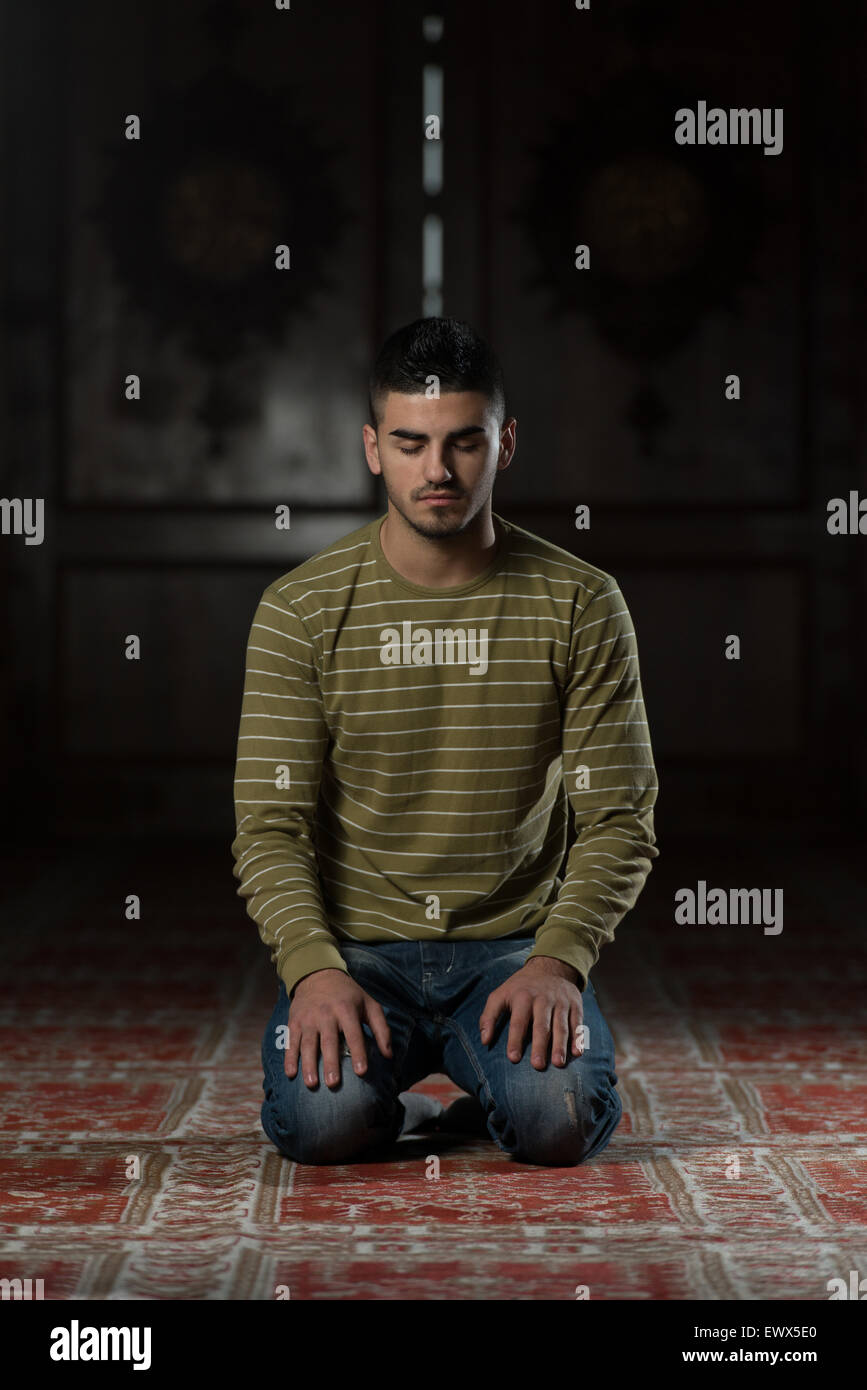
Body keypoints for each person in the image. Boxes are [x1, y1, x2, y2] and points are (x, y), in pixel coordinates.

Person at [231, 317, 659, 1167]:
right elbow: (269, 826)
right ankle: (424, 1093)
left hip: (511, 948)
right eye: (410, 442)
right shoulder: (299, 610)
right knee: (322, 1127)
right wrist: (312, 969)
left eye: (463, 441)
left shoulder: (581, 601)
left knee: (558, 1121)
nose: (437, 470)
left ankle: (496, 1083)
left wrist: (557, 965)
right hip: (359, 952)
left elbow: (619, 815)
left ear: (503, 444)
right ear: (370, 447)